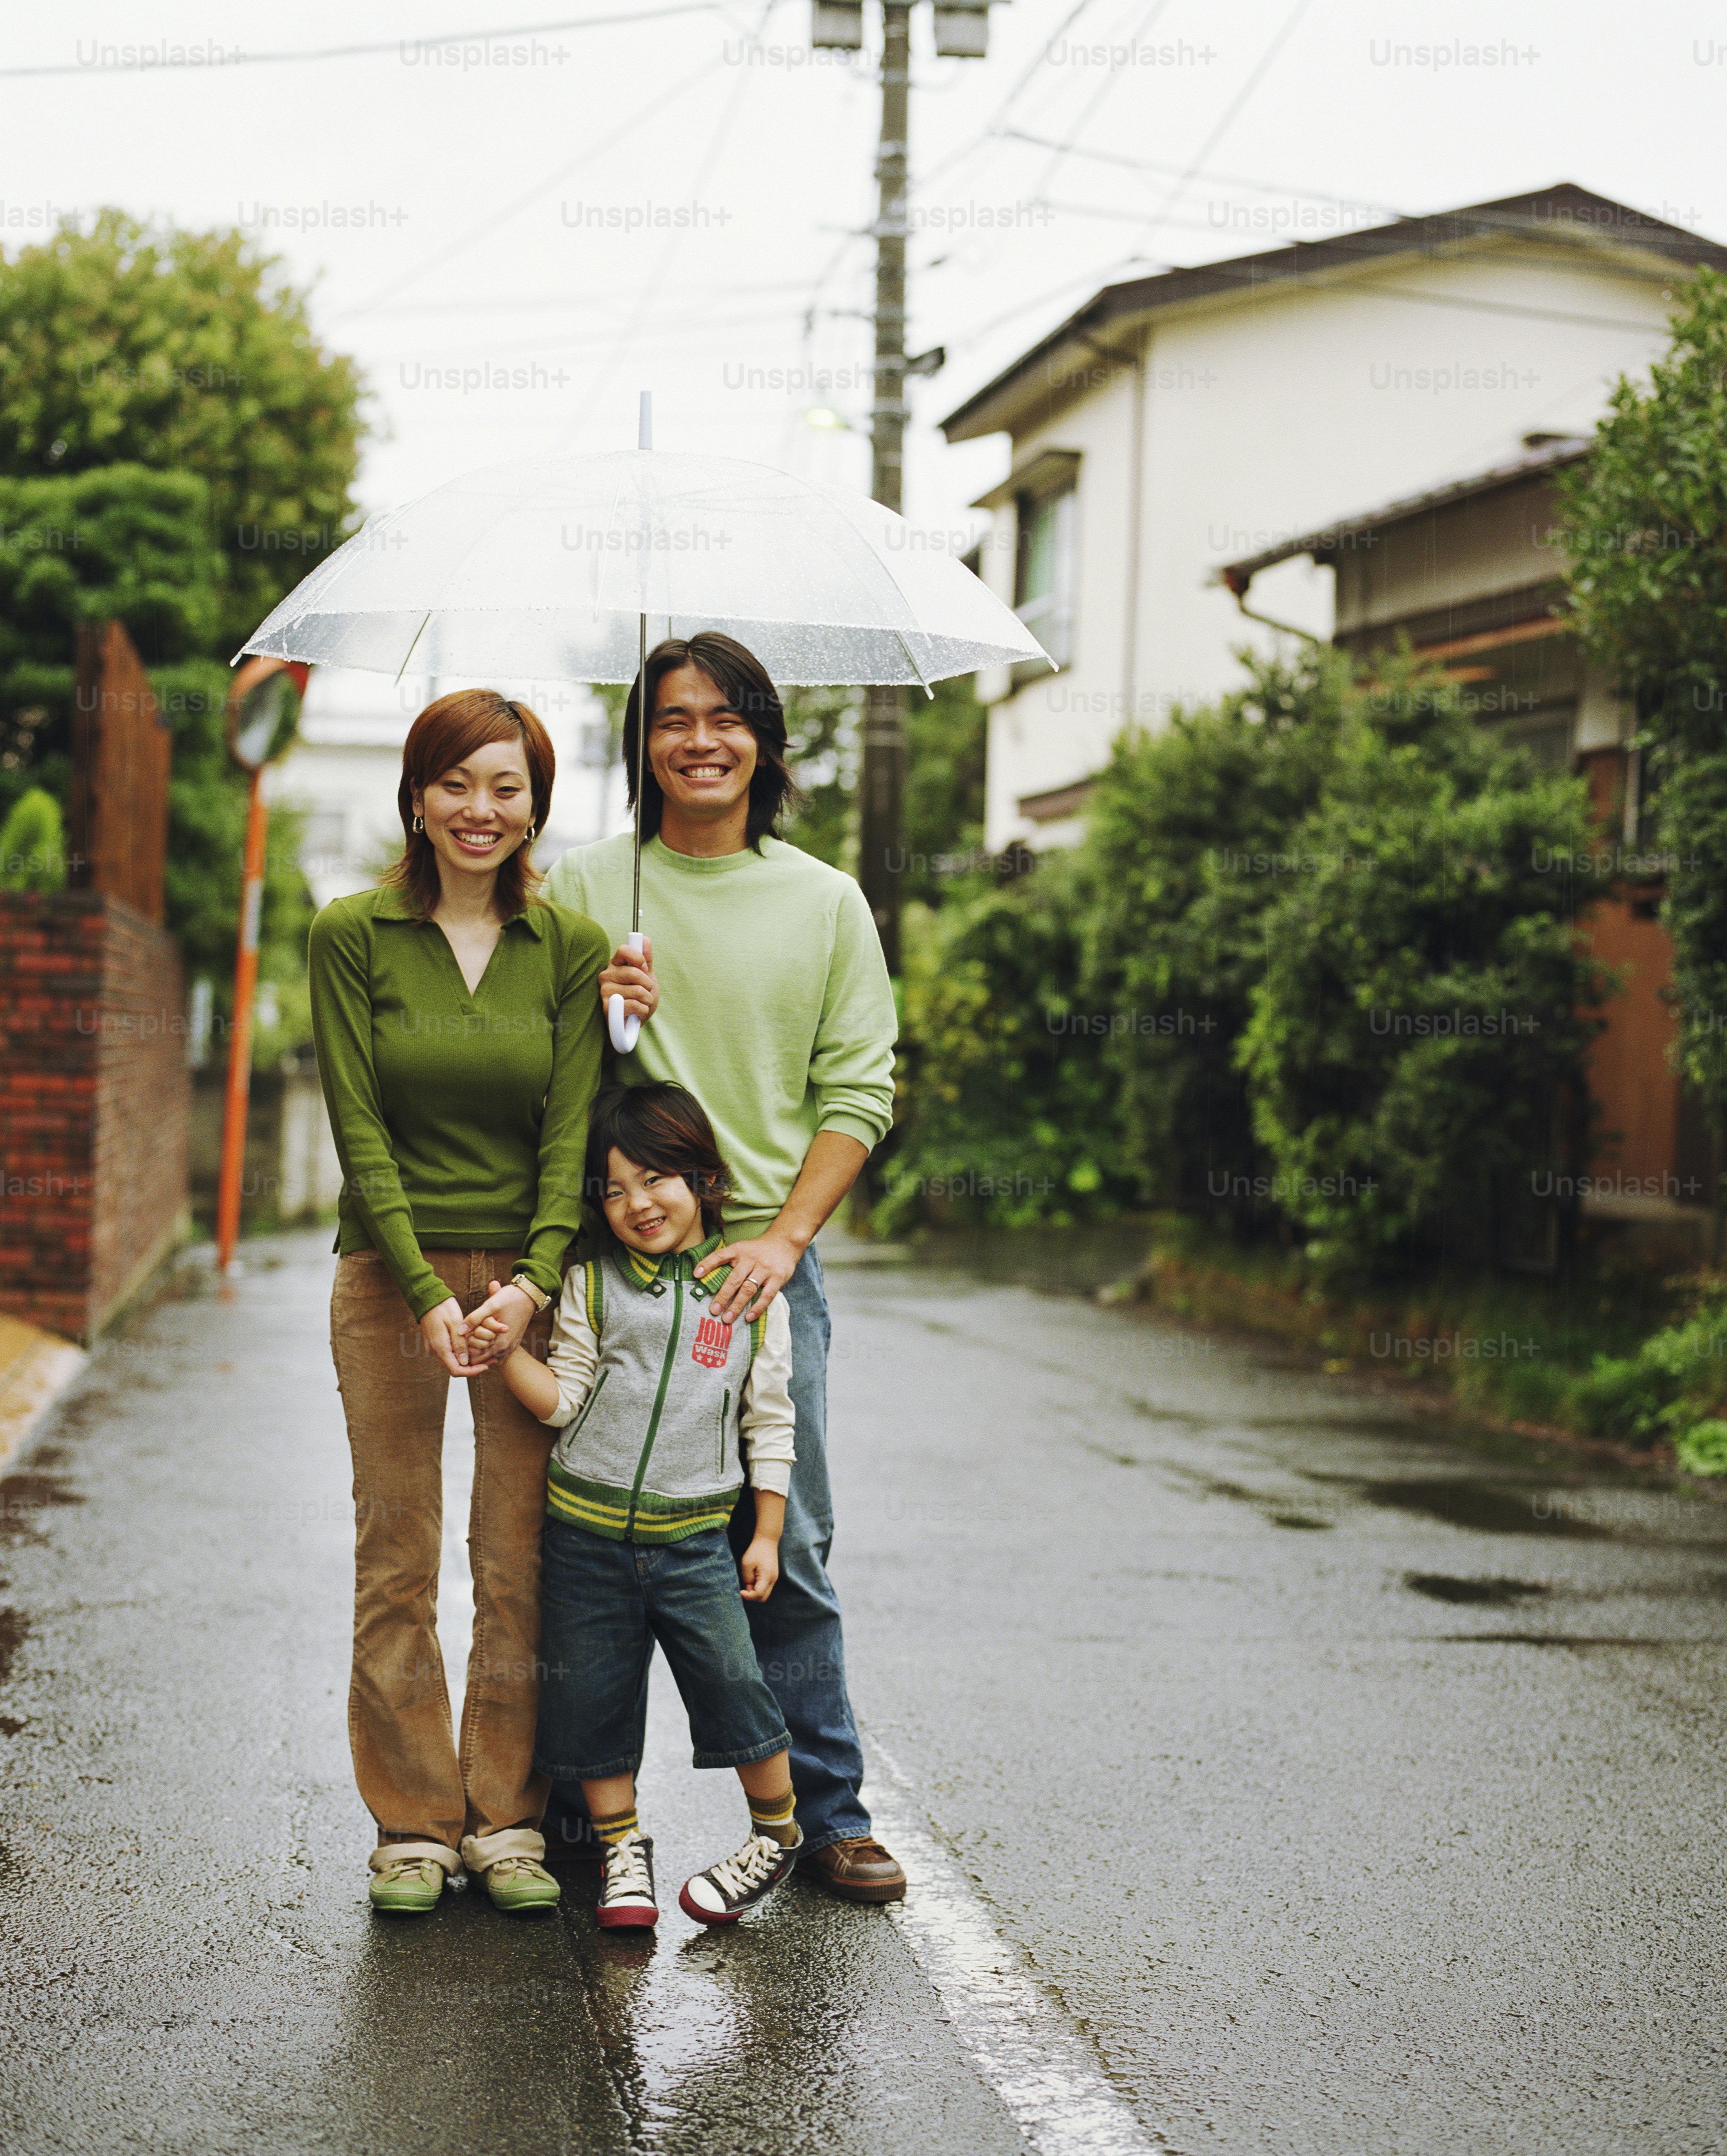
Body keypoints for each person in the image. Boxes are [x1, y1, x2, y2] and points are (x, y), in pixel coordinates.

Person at [543, 632, 906, 1903]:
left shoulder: (823, 901)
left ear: (765, 739)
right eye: (671, 718)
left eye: (727, 716)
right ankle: (574, 1817)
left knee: (779, 1540)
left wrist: (785, 1237)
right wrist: (600, 1006)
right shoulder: (589, 883)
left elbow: (860, 1089)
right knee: (582, 1536)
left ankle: (829, 1812)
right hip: (611, 1263)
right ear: (641, 745)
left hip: (755, 1267)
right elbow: (534, 1068)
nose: (699, 739)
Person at [309, 689, 609, 1917]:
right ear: (417, 797)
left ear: (536, 804)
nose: (481, 811)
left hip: (532, 1279)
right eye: (457, 785)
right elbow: (357, 1127)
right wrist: (429, 1289)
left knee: (521, 1558)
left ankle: (507, 1819)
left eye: (508, 788)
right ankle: (414, 1824)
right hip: (390, 1278)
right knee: (399, 1554)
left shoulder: (572, 947)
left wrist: (534, 1284)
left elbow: (571, 1134)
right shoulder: (352, 933)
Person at [477, 1081, 802, 1927]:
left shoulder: (752, 1293)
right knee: (591, 1696)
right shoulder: (590, 1284)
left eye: (656, 1178)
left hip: (695, 1538)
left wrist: (764, 1534)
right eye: (614, 1189)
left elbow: (770, 1421)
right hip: (585, 1535)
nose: (636, 1203)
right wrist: (507, 1350)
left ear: (702, 1179)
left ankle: (777, 1834)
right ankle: (624, 1849)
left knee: (736, 1686)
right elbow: (563, 1401)